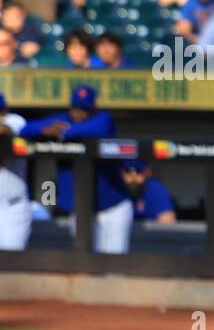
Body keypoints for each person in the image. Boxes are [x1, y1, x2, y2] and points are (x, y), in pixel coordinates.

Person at [19, 85, 131, 254]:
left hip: (111, 209)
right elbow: (25, 129)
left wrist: (63, 133)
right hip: (81, 210)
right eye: (76, 108)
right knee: (83, 262)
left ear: (93, 108)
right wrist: (43, 131)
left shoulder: (103, 118)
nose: (79, 114)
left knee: (113, 267)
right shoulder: (64, 119)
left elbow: (96, 129)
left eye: (84, 109)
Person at [0, 92, 31, 250]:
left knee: (10, 264)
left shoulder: (15, 120)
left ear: (5, 110)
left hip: (12, 209)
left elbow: (4, 129)